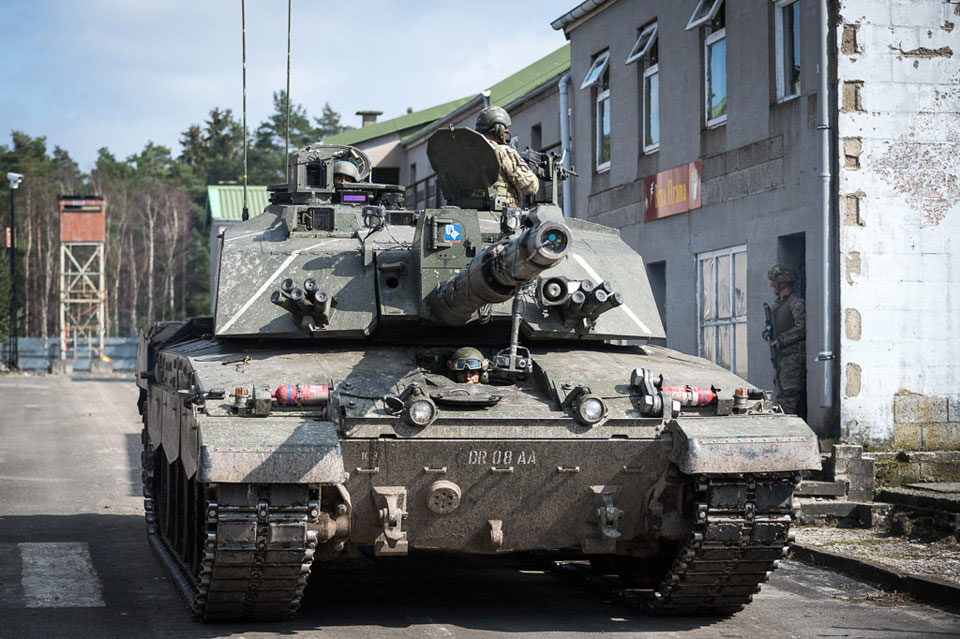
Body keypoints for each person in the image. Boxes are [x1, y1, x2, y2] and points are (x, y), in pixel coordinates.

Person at [764, 263, 806, 418]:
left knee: (789, 397)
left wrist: (781, 340)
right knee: (782, 395)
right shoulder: (778, 304)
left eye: (774, 281)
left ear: (783, 282)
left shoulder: (796, 302)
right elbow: (773, 327)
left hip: (793, 358)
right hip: (782, 359)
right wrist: (768, 334)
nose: (771, 285)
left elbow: (802, 327)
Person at [475, 106, 539, 208]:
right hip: (501, 213)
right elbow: (530, 186)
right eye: (505, 128)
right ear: (498, 129)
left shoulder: (466, 153)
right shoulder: (504, 152)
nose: (506, 132)